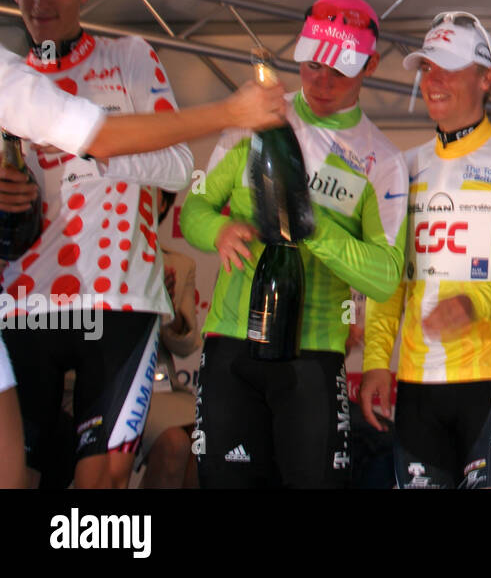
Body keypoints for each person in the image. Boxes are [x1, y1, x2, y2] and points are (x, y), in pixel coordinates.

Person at [0, 48, 283, 489]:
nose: (40, 1)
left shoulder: (117, 58)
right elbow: (102, 139)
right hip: (26, 307)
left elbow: (167, 164)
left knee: (163, 449)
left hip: (125, 336)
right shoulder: (18, 74)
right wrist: (231, 111)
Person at [180, 0, 408, 488]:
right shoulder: (256, 120)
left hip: (313, 354)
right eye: (311, 65)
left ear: (369, 65)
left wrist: (314, 228)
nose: (321, 81)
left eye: (339, 71)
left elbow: (386, 275)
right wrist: (218, 230)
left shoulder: (382, 160)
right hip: (230, 343)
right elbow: (193, 209)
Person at [1, 0, 197, 490]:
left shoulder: (130, 56)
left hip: (117, 292)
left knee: (101, 483)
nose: (41, 1)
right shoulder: (11, 77)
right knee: (18, 472)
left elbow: (176, 162)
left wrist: (96, 149)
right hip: (23, 297)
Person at [361, 11, 491, 488]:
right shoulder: (399, 171)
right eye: (427, 67)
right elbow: (388, 279)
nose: (434, 80)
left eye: (449, 67)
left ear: (486, 78)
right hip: (415, 384)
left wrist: (474, 302)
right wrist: (374, 361)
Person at [137, 190, 201, 488]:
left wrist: (166, 305)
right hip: (100, 381)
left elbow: (186, 346)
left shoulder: (179, 264)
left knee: (206, 439)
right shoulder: (89, 256)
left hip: (159, 388)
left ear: (161, 202)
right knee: (176, 442)